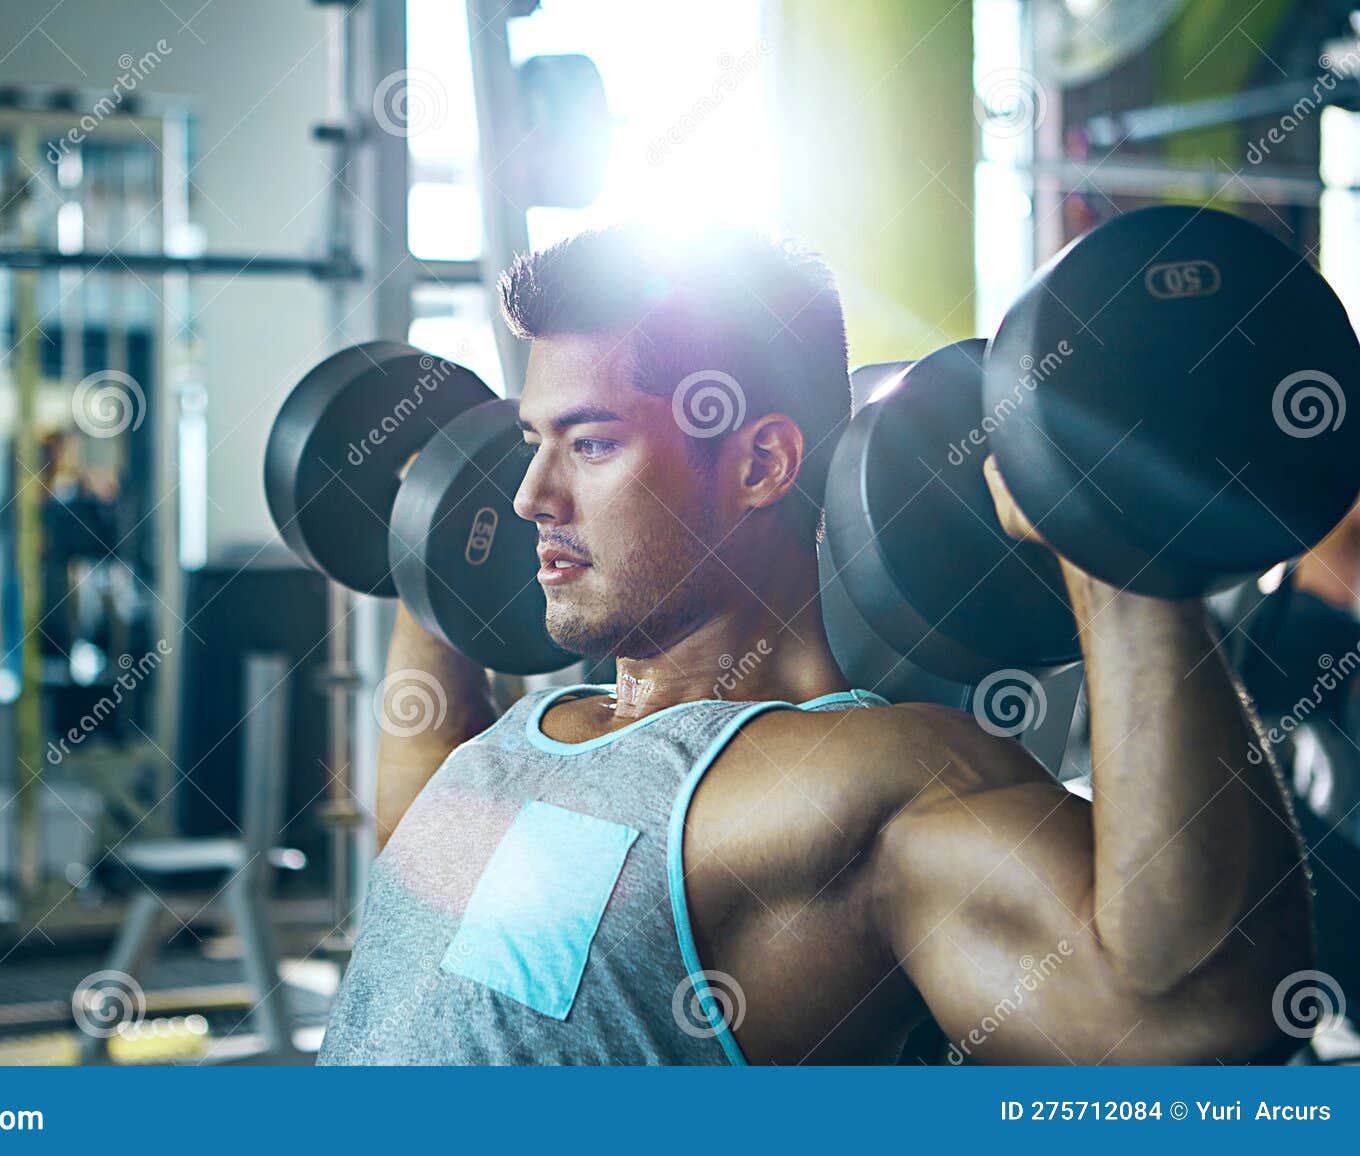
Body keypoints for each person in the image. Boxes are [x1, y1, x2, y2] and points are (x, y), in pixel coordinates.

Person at [315, 227, 1314, 1066]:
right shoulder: (524, 744)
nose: (530, 496)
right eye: (528, 438)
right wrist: (422, 528)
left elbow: (1190, 1012)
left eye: (589, 442)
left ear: (759, 463)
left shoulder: (863, 784)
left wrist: (1106, 533)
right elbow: (421, 852)